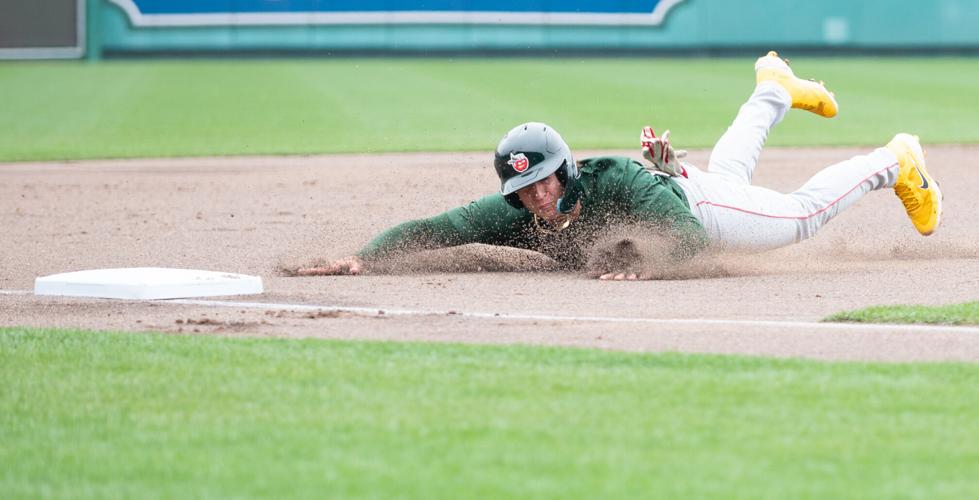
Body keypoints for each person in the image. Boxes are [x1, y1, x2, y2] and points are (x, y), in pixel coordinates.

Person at [298, 51, 943, 280]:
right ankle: (773, 90)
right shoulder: (516, 211)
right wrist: (366, 255)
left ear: (566, 168)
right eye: (524, 188)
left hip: (701, 211)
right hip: (689, 185)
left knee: (800, 215)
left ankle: (895, 160)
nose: (539, 196)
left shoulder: (620, 181)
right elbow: (440, 227)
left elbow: (688, 239)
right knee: (732, 170)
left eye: (545, 178)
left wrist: (645, 261)